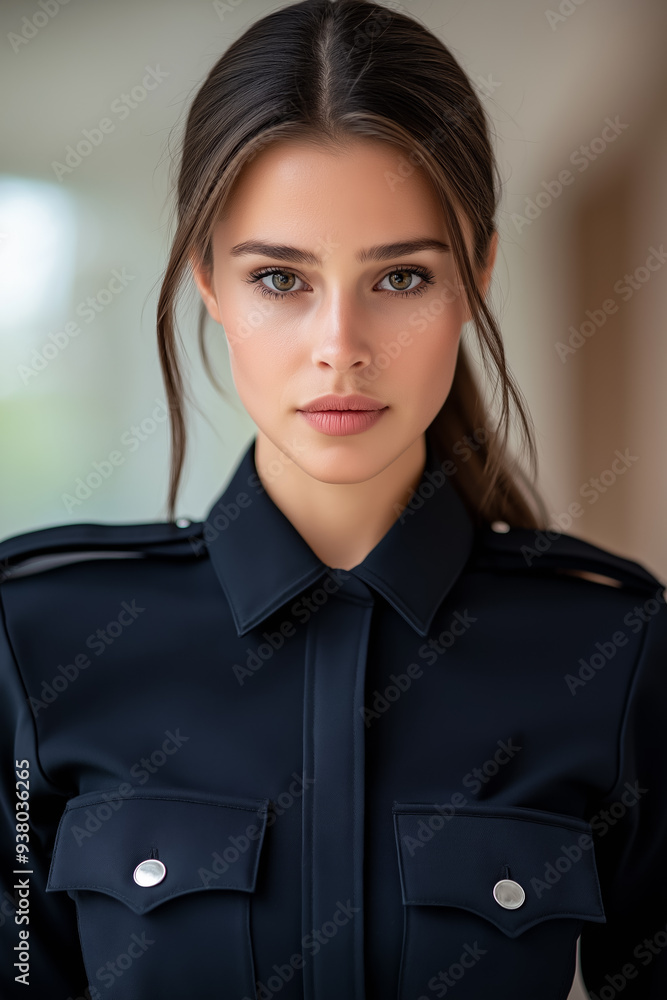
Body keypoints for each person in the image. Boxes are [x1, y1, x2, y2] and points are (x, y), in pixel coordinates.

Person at [1, 0, 666, 997]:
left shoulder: (612, 650)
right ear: (207, 280)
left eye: (400, 277)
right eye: (281, 278)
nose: (340, 347)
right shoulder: (39, 641)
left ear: (478, 274)